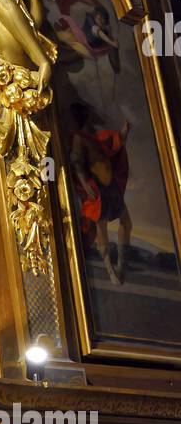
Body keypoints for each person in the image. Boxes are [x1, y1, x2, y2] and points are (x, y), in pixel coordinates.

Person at [69, 100, 132, 286]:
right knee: (101, 228)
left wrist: (123, 133)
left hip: (110, 187)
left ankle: (121, 264)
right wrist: (86, 187)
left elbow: (110, 150)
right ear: (82, 118)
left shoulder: (94, 138)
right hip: (97, 190)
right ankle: (109, 270)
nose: (90, 120)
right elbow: (77, 163)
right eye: (87, 116)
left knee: (126, 222)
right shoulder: (79, 138)